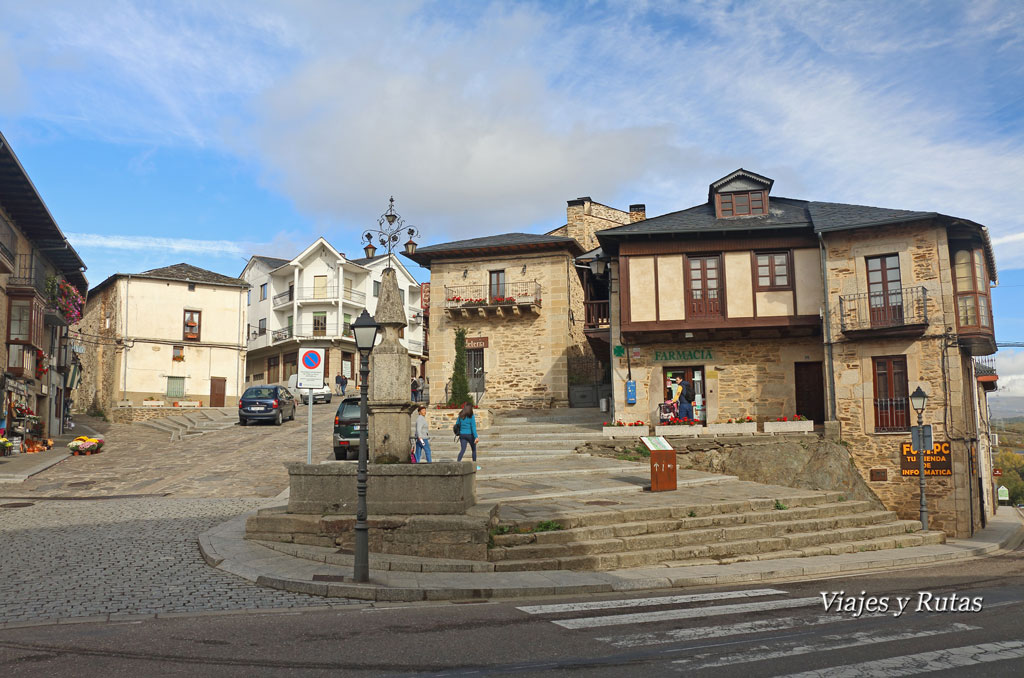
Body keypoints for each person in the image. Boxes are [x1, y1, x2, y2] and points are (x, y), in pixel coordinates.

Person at [455, 404, 480, 469]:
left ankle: (457, 463)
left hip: (462, 435)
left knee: (462, 450)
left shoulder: (460, 415)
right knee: (473, 450)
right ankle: (474, 466)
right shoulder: (471, 416)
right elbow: (473, 427)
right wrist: (476, 436)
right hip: (470, 435)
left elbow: (457, 424)